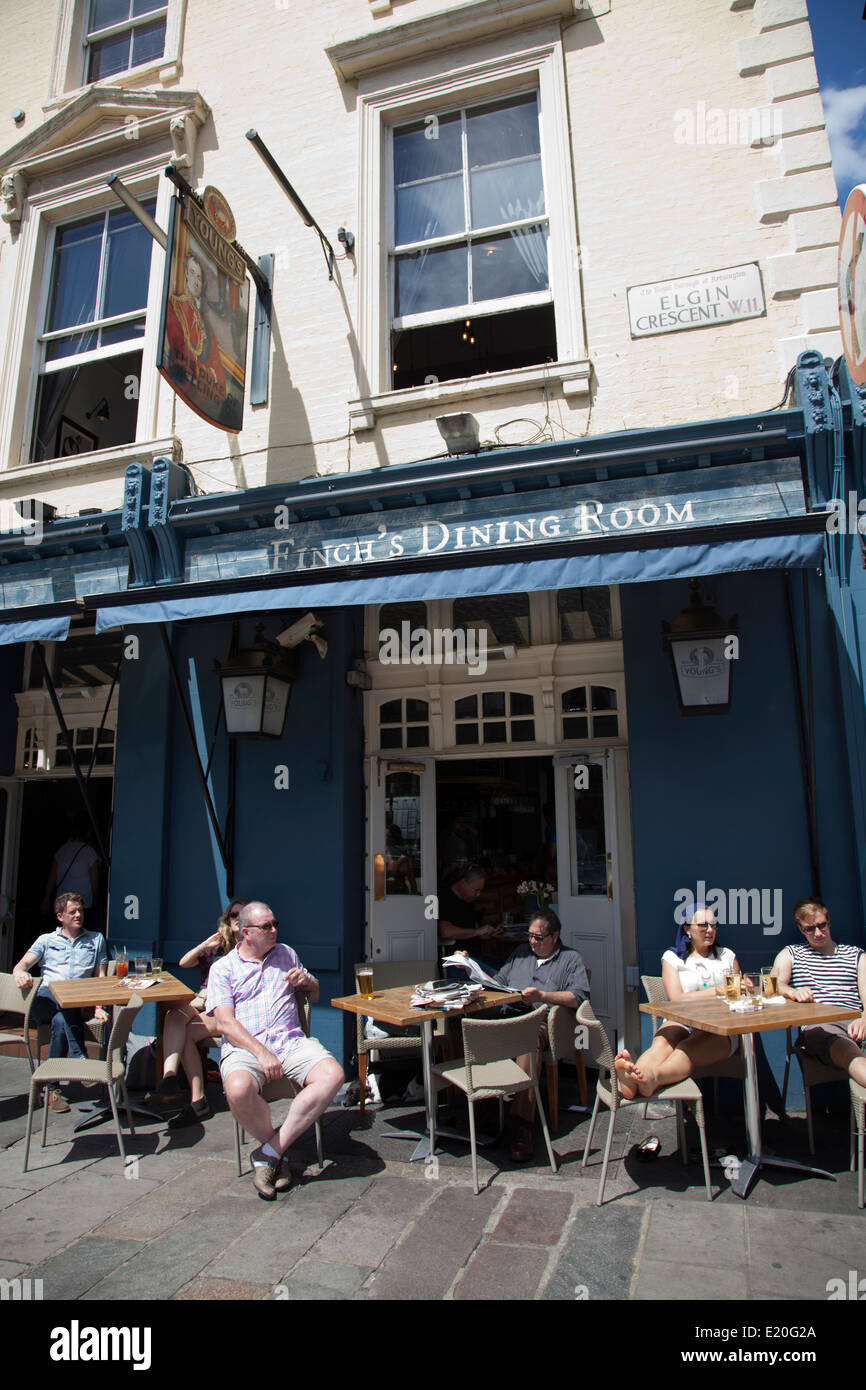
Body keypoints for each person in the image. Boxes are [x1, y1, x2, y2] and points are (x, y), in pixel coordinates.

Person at [206, 901, 344, 1200]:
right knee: (238, 1089)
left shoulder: (286, 954)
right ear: (245, 933)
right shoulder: (223, 968)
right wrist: (261, 1053)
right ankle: (275, 1154)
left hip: (290, 1041)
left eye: (275, 923)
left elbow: (315, 992)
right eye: (266, 926)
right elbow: (225, 1024)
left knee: (333, 1075)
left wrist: (307, 981)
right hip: (246, 1047)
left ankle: (269, 1152)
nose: (274, 930)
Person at [475, 907, 588, 1161]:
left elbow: (577, 996)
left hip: (538, 1021)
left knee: (528, 1040)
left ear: (555, 936)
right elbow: (499, 981)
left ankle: (522, 1126)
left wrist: (542, 996)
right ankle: (482, 1111)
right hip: (507, 1016)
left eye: (538, 937)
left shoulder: (571, 959)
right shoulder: (520, 954)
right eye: (530, 936)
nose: (532, 942)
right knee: (467, 1027)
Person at [614, 903, 741, 1100]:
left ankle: (650, 1078)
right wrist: (720, 990)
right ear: (687, 929)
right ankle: (632, 1078)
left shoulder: (727, 956)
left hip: (720, 1028)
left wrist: (743, 986)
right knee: (662, 1044)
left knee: (686, 1048)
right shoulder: (673, 958)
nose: (710, 930)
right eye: (703, 925)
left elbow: (737, 992)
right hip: (683, 1020)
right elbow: (677, 998)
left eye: (714, 925)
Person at [144, 897, 249, 1126]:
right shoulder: (218, 946)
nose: (238, 920)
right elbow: (184, 962)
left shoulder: (252, 949)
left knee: (181, 1028)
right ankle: (170, 1076)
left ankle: (197, 1100)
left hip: (228, 1010)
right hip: (202, 1001)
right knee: (174, 1016)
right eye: (233, 915)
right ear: (228, 921)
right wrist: (204, 945)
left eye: (242, 916)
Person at [12, 892, 108, 1113]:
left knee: (60, 1020)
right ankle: (79, 1058)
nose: (78, 915)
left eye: (80, 911)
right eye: (72, 912)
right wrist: (19, 973)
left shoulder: (96, 939)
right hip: (45, 999)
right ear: (60, 917)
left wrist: (99, 1007)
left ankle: (52, 1089)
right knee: (61, 1002)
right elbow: (22, 964)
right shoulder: (46, 940)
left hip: (74, 1003)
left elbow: (101, 977)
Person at [771, 897, 866, 1085]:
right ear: (800, 929)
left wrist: (864, 1019)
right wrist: (792, 992)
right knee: (845, 1048)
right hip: (821, 1024)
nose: (818, 933)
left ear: (829, 923)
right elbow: (771, 985)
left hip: (855, 1019)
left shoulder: (856, 955)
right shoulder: (792, 954)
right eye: (810, 928)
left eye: (822, 925)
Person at [437, 863, 502, 957]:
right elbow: (446, 932)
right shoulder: (444, 898)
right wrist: (477, 932)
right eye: (476, 890)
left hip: (475, 956)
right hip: (458, 960)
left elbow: (477, 933)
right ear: (463, 883)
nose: (478, 894)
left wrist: (493, 932)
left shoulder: (468, 901)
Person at [40, 815, 99, 914]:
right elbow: (94, 881)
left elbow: (52, 878)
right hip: (83, 903)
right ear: (88, 833)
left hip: (63, 902)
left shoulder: (62, 850)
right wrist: (95, 900)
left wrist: (46, 899)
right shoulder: (90, 852)